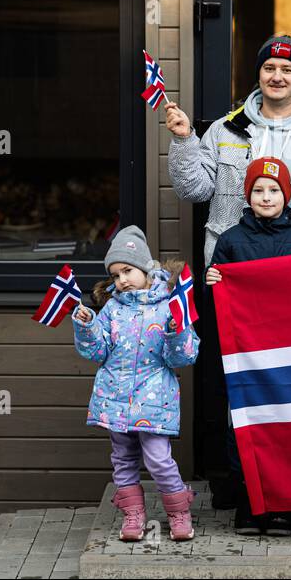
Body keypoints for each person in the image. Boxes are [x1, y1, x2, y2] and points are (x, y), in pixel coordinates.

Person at [165, 35, 291, 267]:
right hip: (238, 262)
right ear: (259, 75)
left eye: (287, 69)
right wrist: (184, 141)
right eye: (269, 68)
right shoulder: (226, 129)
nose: (277, 77)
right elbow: (193, 190)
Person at [70, 226, 200, 542]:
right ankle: (133, 515)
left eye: (127, 270)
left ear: (144, 267)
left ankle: (179, 510)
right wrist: (87, 328)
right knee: (123, 459)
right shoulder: (113, 308)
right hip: (115, 397)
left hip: (154, 399)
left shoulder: (170, 303)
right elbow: (97, 351)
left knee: (157, 457)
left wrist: (176, 330)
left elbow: (184, 356)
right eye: (115, 275)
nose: (121, 280)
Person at [204, 156, 291, 537]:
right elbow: (213, 290)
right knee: (245, 423)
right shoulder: (231, 239)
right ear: (248, 197)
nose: (266, 197)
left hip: (290, 350)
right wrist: (213, 279)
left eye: (274, 190)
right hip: (245, 352)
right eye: (258, 191)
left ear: (287, 195)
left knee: (287, 420)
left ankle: (283, 502)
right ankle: (250, 499)